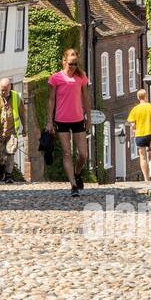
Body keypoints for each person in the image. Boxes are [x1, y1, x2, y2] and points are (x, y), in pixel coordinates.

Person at [49, 48, 92, 198]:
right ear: (64, 61)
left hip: (78, 119)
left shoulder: (81, 77)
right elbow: (51, 100)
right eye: (71, 64)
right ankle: (73, 185)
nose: (73, 67)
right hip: (61, 120)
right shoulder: (56, 78)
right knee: (67, 153)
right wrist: (49, 121)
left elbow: (86, 99)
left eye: (75, 64)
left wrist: (89, 119)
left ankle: (77, 173)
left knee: (83, 154)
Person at [125, 88, 151, 183]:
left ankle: (146, 178)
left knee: (142, 157)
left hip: (140, 135)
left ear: (138, 97)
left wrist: (134, 131)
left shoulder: (134, 109)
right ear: (146, 96)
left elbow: (133, 125)